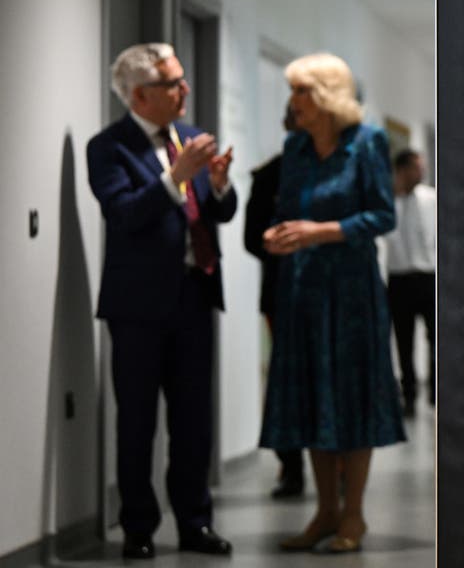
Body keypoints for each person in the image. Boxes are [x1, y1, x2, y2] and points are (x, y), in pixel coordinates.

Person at [86, 43, 237, 559]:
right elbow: (125, 214)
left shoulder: (190, 138)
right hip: (137, 309)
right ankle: (138, 527)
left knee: (194, 421)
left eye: (182, 80)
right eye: (174, 84)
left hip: (195, 296)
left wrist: (217, 184)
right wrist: (174, 177)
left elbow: (220, 213)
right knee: (137, 422)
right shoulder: (108, 147)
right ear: (140, 95)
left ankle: (194, 522)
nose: (185, 91)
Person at [260, 53, 404, 553]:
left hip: (353, 292)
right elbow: (289, 210)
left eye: (301, 91)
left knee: (352, 398)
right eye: (293, 91)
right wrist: (281, 235)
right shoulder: (295, 148)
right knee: (312, 397)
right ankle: (324, 512)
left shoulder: (368, 143)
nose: (293, 102)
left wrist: (321, 231)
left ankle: (354, 516)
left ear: (326, 95)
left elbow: (383, 216)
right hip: (301, 287)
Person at [243, 106, 304, 499]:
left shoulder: (339, 171)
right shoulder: (269, 175)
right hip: (282, 291)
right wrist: (281, 242)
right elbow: (252, 238)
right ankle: (291, 465)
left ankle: (334, 467)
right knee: (286, 379)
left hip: (329, 289)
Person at [384, 149, 437, 415]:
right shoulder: (388, 202)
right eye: (417, 167)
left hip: (428, 277)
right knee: (404, 342)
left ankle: (437, 393)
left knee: (436, 338)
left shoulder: (431, 199)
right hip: (400, 280)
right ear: (402, 170)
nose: (422, 172)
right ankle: (410, 398)